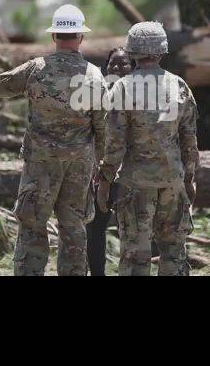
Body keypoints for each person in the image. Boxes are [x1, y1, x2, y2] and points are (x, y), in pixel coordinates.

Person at [0, 4, 107, 276]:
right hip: (79, 166)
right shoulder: (95, 75)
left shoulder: (37, 68)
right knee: (73, 227)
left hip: (40, 164)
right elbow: (103, 127)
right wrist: (101, 165)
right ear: (81, 37)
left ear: (54, 36)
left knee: (32, 223)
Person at [97, 22, 199, 276]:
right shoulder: (179, 85)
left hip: (136, 183)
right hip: (172, 181)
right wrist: (190, 177)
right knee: (174, 251)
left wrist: (106, 179)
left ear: (132, 53)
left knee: (135, 255)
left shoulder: (122, 87)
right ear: (162, 51)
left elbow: (115, 143)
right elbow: (189, 139)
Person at [86, 47, 134, 276]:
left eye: (123, 63)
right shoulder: (98, 95)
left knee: (135, 229)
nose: (116, 68)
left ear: (133, 66)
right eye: (113, 63)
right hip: (101, 172)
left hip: (132, 174)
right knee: (95, 228)